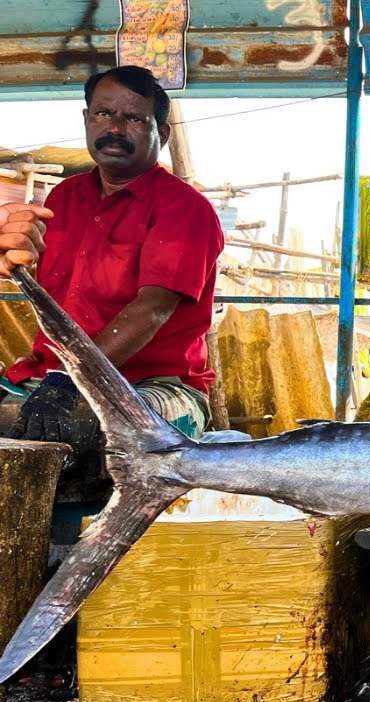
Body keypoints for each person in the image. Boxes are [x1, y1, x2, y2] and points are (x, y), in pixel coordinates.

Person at [0, 65, 223, 447]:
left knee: (85, 430)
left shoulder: (185, 209)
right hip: (52, 376)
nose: (115, 129)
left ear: (162, 134)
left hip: (154, 385)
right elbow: (29, 272)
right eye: (104, 113)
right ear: (87, 119)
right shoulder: (63, 198)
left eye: (134, 118)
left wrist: (71, 377)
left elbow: (151, 309)